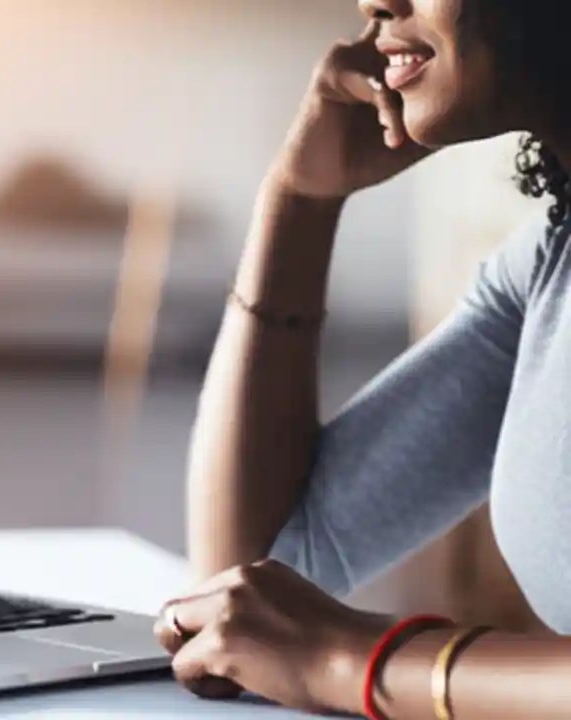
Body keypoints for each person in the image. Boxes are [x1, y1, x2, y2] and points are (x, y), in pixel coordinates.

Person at [155, 0, 571, 717]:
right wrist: (299, 200)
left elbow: (283, 626)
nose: (374, 2)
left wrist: (351, 660)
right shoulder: (546, 265)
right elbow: (256, 573)